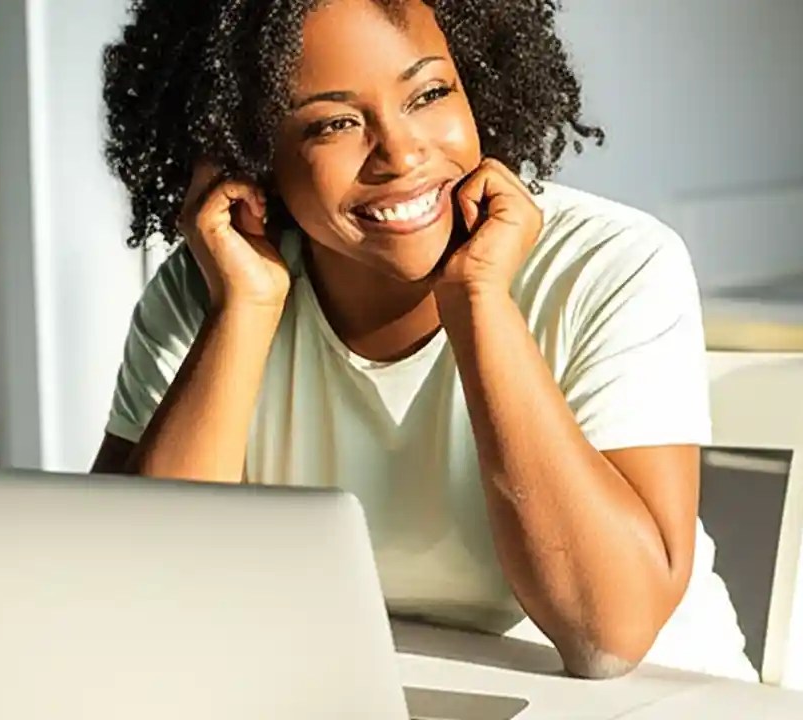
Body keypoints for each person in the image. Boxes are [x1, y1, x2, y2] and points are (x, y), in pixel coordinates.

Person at [92, 0, 755, 682]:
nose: (402, 154)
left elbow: (605, 637)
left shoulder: (613, 263)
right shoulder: (213, 287)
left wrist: (477, 300)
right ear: (248, 153)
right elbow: (139, 603)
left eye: (430, 93)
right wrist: (246, 307)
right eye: (334, 123)